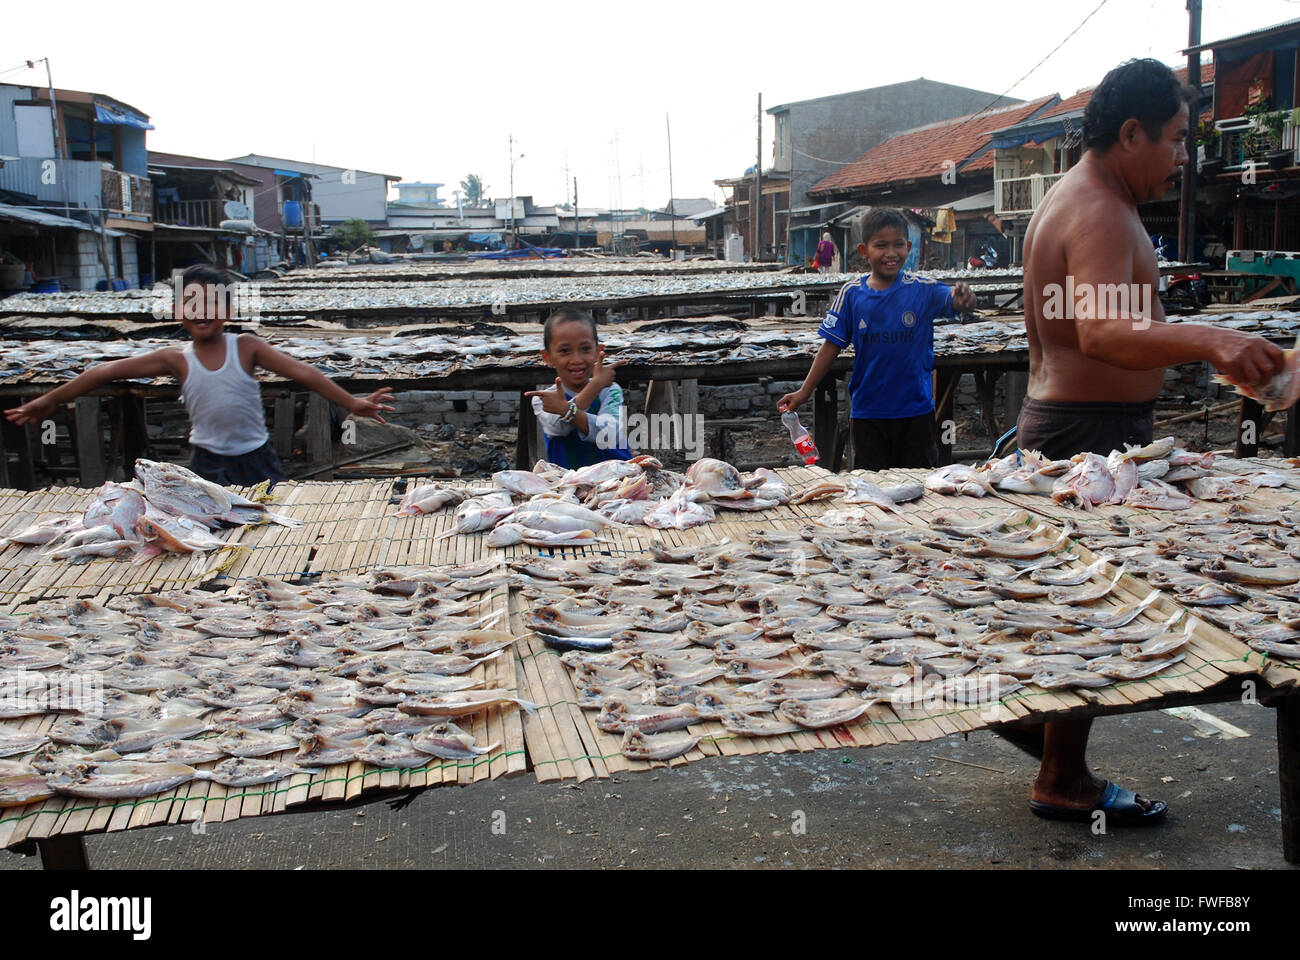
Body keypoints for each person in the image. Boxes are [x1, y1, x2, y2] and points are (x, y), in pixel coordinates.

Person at [1015, 59, 1285, 826]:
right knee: (1096, 608)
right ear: (1129, 133)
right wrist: (1212, 341)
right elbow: (1102, 333)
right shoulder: (1099, 208)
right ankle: (1062, 778)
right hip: (1087, 429)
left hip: (1077, 424)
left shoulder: (1078, 196)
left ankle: (1053, 752)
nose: (1180, 156)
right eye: (1172, 139)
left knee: (1081, 603)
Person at [4, 264, 395, 487]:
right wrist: (49, 399)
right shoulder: (176, 359)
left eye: (211, 302)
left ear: (228, 309)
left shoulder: (246, 347)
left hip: (256, 457)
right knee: (210, 525)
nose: (201, 310)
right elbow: (105, 371)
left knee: (265, 521)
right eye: (192, 302)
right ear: (178, 310)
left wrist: (353, 403)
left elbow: (305, 372)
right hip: (207, 460)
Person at [777, 208, 976, 470]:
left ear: (909, 247)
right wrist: (805, 390)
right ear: (864, 251)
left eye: (898, 245)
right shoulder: (851, 294)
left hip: (916, 412)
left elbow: (957, 301)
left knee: (919, 489)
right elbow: (831, 345)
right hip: (869, 413)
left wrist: (965, 300)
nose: (891, 253)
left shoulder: (924, 289)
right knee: (871, 491)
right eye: (881, 245)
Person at [526, 307, 632, 469]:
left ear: (598, 351)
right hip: (568, 483)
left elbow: (608, 432)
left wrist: (566, 410)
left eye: (585, 349)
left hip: (615, 481)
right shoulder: (544, 398)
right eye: (564, 351)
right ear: (547, 357)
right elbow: (557, 428)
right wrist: (595, 385)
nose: (576, 359)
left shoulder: (610, 390)